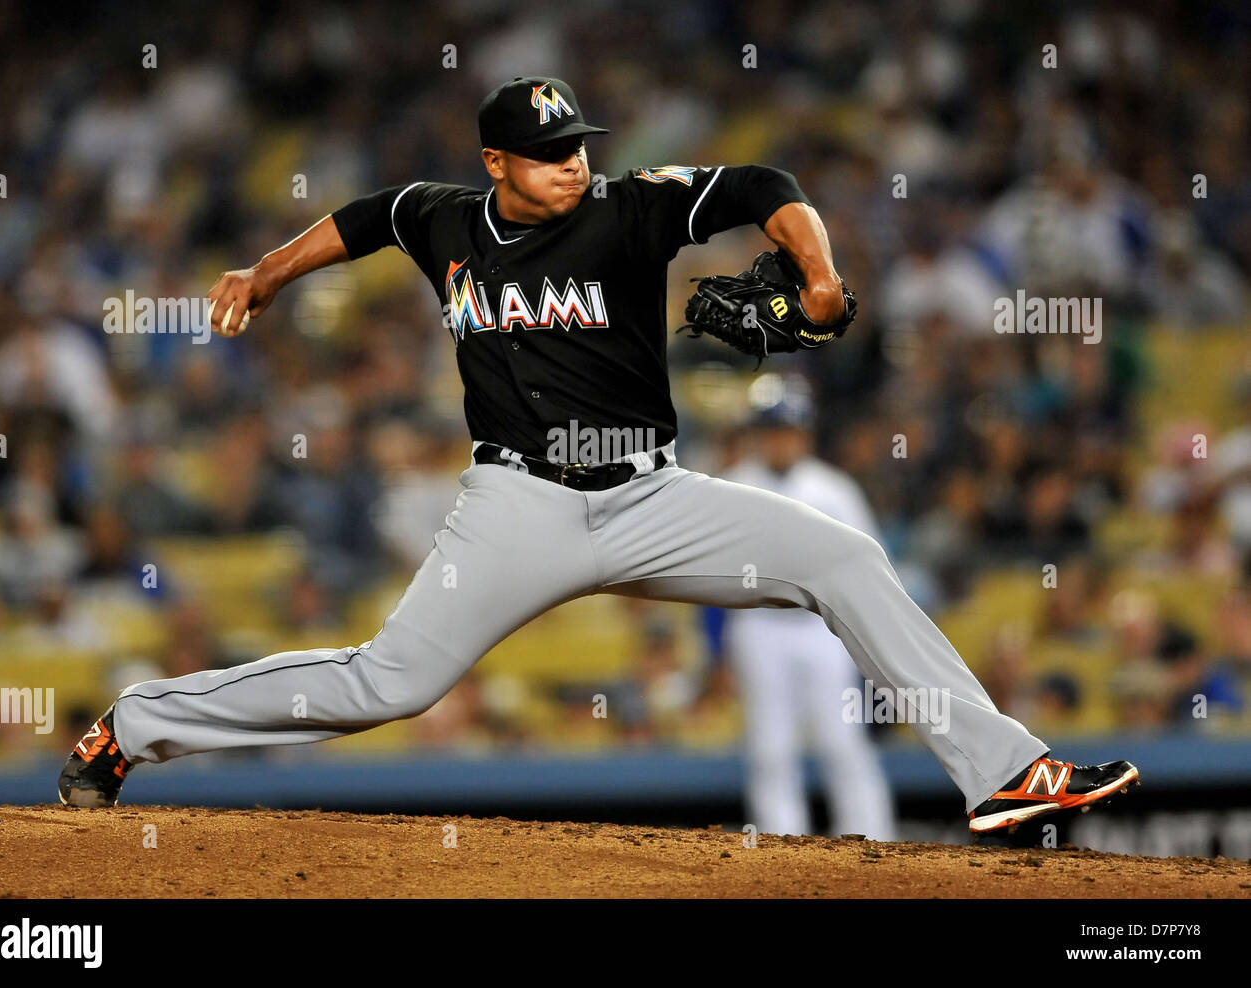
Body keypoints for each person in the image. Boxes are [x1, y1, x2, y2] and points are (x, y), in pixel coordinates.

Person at [59, 76, 1138, 836]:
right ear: (496, 164)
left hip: (651, 495)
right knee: (383, 685)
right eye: (547, 153)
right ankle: (133, 727)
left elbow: (760, 182)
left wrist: (812, 267)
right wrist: (264, 271)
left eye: (577, 143)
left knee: (845, 559)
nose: (572, 162)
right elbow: (360, 219)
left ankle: (1003, 775)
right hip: (513, 508)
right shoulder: (442, 218)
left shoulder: (626, 211)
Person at [719, 374, 895, 838]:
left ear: (805, 432)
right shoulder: (731, 488)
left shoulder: (834, 491)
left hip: (823, 630)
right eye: (773, 429)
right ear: (757, 434)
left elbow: (869, 571)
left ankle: (873, 843)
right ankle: (779, 849)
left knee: (842, 744)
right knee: (770, 748)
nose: (781, 440)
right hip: (759, 626)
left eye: (789, 429)